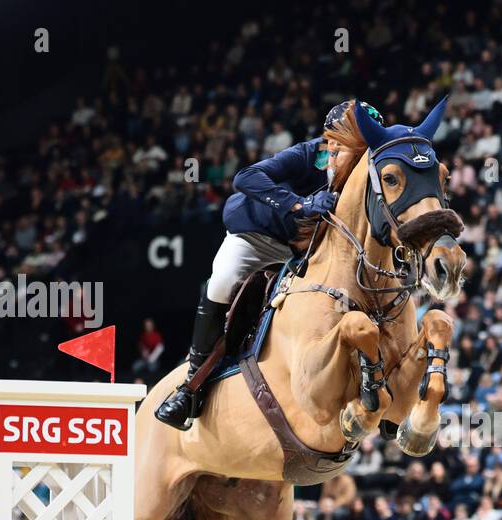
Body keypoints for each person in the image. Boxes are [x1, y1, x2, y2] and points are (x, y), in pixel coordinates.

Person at [155, 100, 384, 429]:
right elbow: (245, 177)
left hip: (301, 252)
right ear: (331, 140)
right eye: (355, 145)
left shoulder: (369, 174)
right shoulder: (310, 154)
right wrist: (299, 204)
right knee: (221, 282)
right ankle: (192, 386)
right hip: (256, 237)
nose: (363, 156)